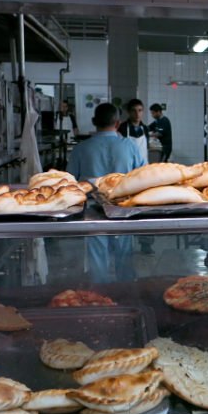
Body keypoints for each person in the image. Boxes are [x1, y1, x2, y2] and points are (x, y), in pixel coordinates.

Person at [67, 103, 147, 283]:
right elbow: (143, 178)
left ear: (94, 121)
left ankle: (101, 294)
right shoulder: (130, 146)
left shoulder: (81, 148)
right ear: (117, 123)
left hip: (92, 211)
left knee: (97, 257)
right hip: (123, 209)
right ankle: (126, 290)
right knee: (124, 255)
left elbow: (70, 183)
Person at [117, 98, 149, 164]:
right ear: (129, 112)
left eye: (140, 110)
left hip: (143, 165)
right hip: (128, 165)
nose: (137, 114)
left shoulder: (145, 128)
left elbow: (146, 148)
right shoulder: (122, 128)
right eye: (134, 111)